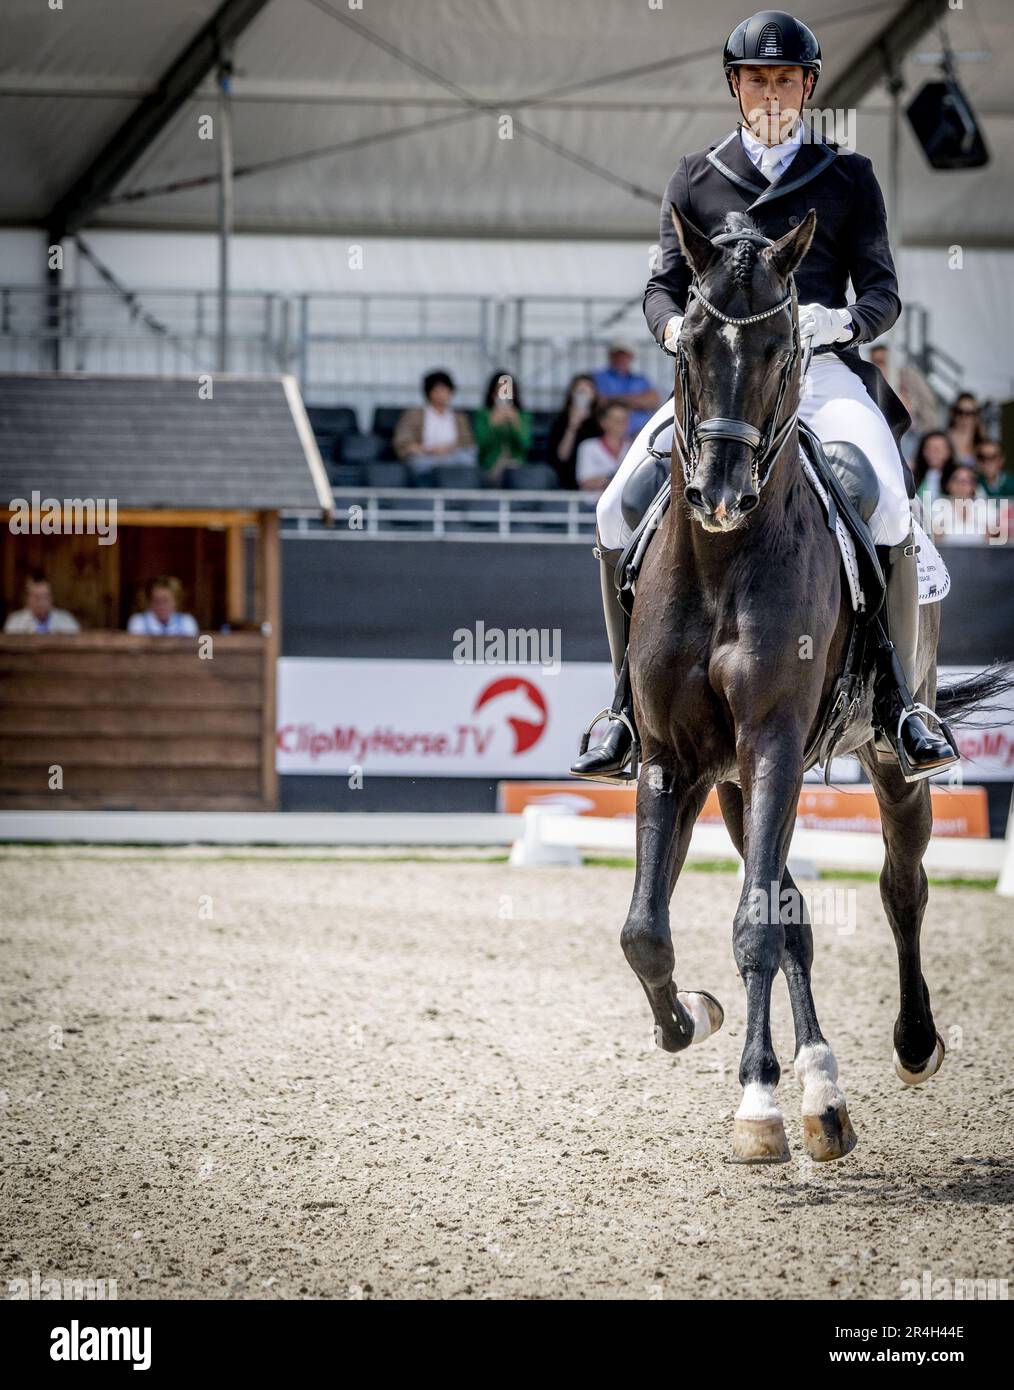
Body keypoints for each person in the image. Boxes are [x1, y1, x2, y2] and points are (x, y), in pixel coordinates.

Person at [572, 7, 958, 781]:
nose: (773, 95)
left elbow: (884, 292)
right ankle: (621, 703)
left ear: (809, 87)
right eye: (758, 81)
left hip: (819, 375)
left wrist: (841, 321)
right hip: (718, 384)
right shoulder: (697, 175)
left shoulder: (847, 176)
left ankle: (900, 701)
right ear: (736, 87)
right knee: (615, 504)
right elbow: (659, 285)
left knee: (883, 500)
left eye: (787, 80)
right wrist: (675, 330)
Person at [392, 370, 477, 479]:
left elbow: (468, 442)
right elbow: (403, 441)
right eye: (437, 391)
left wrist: (448, 449)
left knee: (469, 458)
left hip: (453, 457)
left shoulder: (459, 418)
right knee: (419, 463)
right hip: (426, 457)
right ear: (429, 393)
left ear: (451, 392)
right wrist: (429, 450)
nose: (441, 395)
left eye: (444, 390)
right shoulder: (414, 415)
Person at [472, 370, 533, 484]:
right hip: (490, 465)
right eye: (499, 392)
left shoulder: (522, 416)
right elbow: (480, 444)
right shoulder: (483, 415)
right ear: (492, 394)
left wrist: (516, 424)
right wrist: (492, 424)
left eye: (507, 392)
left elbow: (525, 444)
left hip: (517, 466)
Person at [546, 374, 602, 488]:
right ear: (572, 394)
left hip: (594, 477)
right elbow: (561, 457)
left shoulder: (600, 421)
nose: (584, 395)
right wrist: (572, 426)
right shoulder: (560, 421)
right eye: (580, 391)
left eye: (588, 390)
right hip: (566, 476)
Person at [592, 342, 659, 435]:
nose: (621, 359)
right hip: (610, 436)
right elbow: (600, 402)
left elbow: (653, 400)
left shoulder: (641, 379)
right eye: (617, 355)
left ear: (631, 357)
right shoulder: (598, 377)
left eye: (624, 355)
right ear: (610, 356)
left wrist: (615, 400)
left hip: (640, 435)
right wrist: (638, 401)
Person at [575, 403, 631, 494]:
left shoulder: (632, 447)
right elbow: (586, 482)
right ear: (604, 423)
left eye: (625, 420)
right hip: (592, 504)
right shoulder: (588, 447)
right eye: (617, 420)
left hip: (623, 505)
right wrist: (619, 480)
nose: (622, 424)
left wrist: (604, 480)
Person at [4, 573, 80, 633]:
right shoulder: (15, 622)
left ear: (51, 597)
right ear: (27, 599)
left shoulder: (67, 620)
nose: (42, 602)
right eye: (37, 597)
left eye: (45, 596)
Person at [128, 576, 199, 635]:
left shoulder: (187, 622)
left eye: (165, 601)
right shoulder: (139, 621)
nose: (161, 605)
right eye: (156, 600)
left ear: (176, 601)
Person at [910, 430, 954, 506]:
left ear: (948, 452)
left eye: (937, 449)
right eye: (928, 448)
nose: (932, 453)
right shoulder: (912, 475)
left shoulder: (958, 477)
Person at [946, 391, 985, 467]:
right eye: (960, 412)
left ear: (977, 416)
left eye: (970, 413)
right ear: (953, 413)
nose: (964, 417)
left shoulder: (983, 444)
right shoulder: (943, 441)